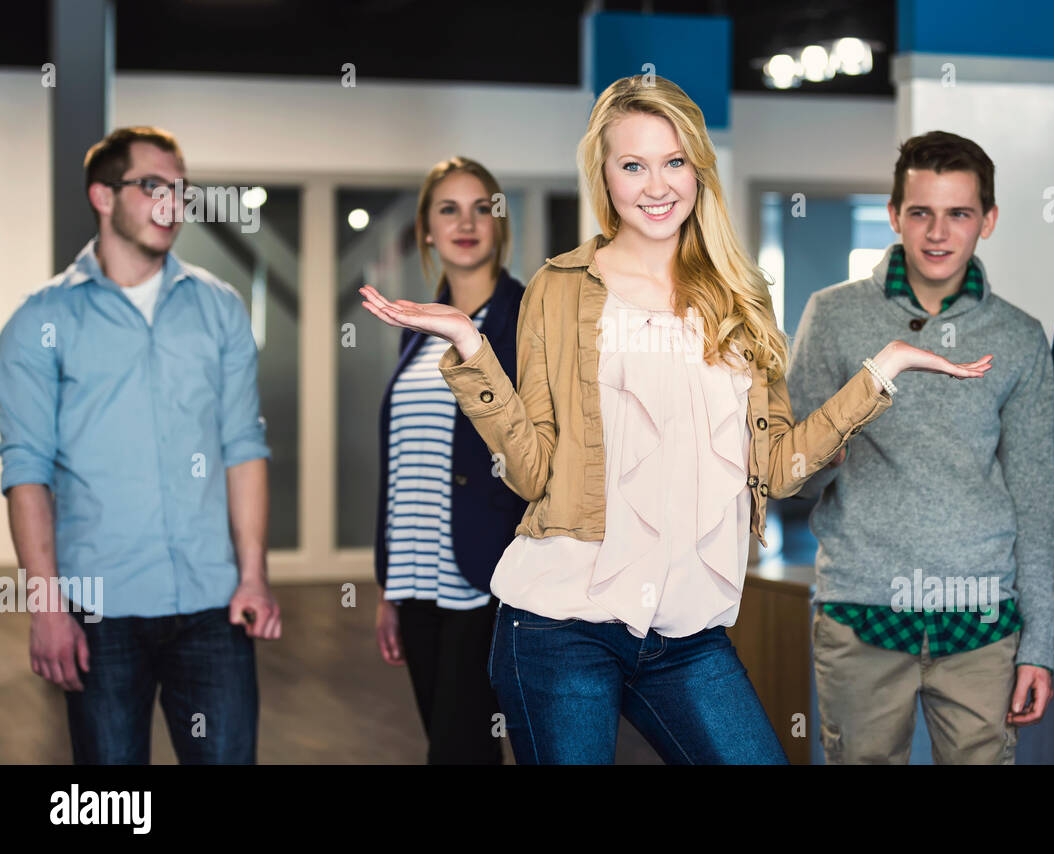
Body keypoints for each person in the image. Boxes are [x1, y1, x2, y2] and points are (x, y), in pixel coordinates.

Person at [359, 75, 991, 765]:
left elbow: (779, 470)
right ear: (605, 176)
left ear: (697, 168)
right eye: (632, 165)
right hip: (558, 623)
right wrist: (472, 347)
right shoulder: (561, 288)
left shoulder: (740, 299)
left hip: (685, 634)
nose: (655, 185)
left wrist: (879, 374)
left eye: (673, 162)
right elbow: (533, 468)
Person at [0, 126, 279, 764]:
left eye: (181, 189)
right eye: (153, 186)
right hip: (101, 610)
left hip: (214, 607)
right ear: (102, 195)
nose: (171, 204)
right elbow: (26, 474)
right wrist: (45, 609)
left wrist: (255, 577)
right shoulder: (41, 322)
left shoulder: (220, 309)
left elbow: (242, 448)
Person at [789, 131, 1054, 764]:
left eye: (959, 213)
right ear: (894, 216)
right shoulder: (832, 315)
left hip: (981, 618)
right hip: (862, 607)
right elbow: (791, 475)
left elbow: (1036, 499)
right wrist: (829, 447)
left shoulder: (1019, 337)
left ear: (987, 221)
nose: (938, 233)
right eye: (921, 212)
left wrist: (1038, 645)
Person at [372, 157, 527, 764]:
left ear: (499, 225)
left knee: (460, 749)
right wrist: (389, 583)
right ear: (426, 232)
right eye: (448, 209)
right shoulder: (416, 328)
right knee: (448, 741)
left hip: (488, 572)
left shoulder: (525, 318)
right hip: (417, 574)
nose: (466, 222)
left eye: (481, 208)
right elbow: (400, 462)